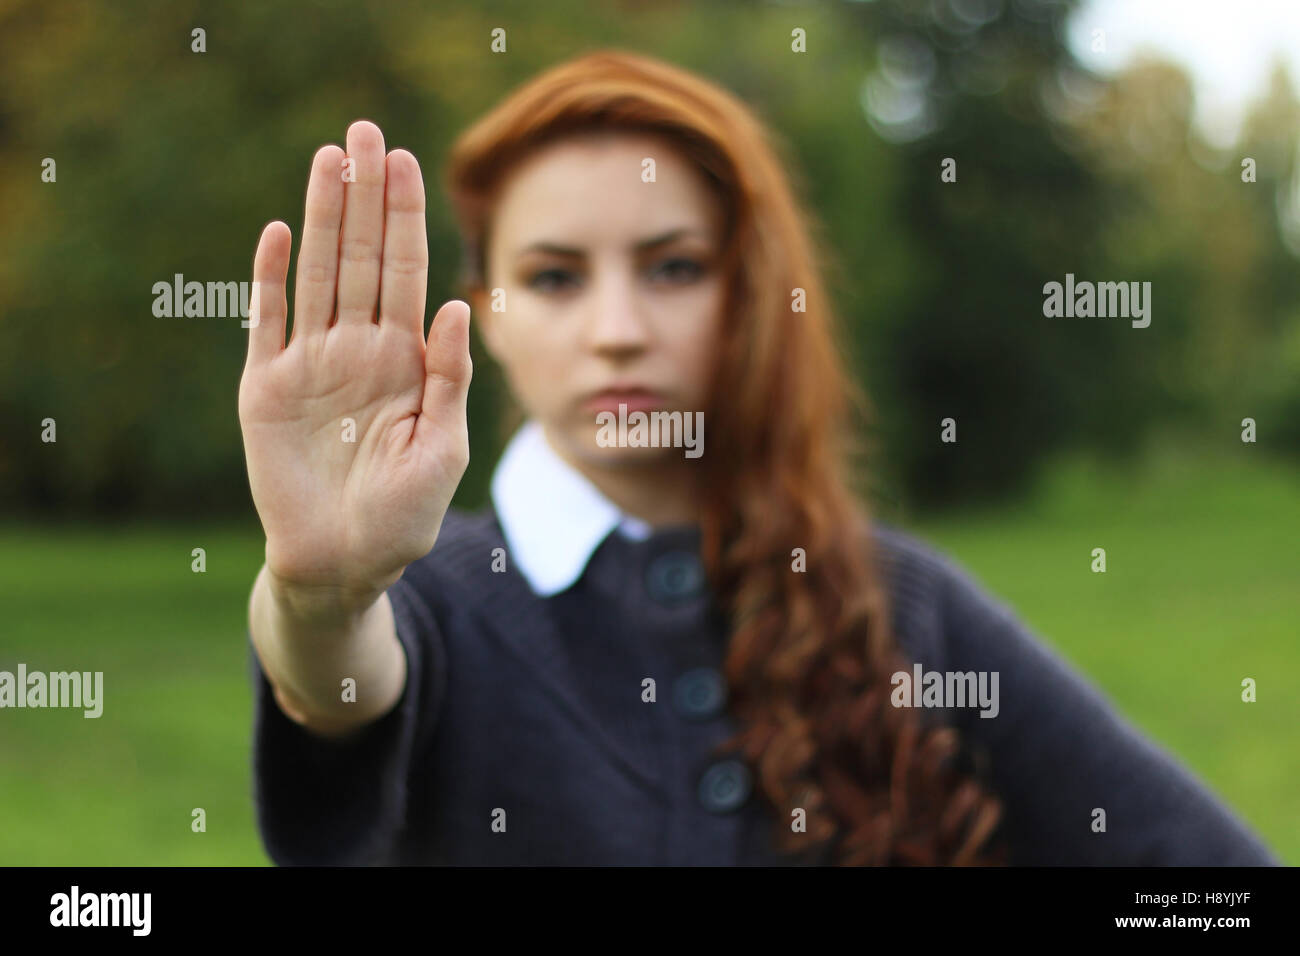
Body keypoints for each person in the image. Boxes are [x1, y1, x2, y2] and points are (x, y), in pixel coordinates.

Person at [239, 49, 1278, 866]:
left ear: (749, 295)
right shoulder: (444, 596)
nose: (616, 328)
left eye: (675, 266)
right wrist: (320, 597)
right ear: (489, 311)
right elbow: (341, 677)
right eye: (554, 277)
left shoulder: (899, 599)